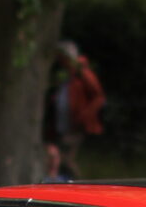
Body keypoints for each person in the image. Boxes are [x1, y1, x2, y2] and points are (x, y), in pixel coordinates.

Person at [43, 40, 106, 179]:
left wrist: (84, 116)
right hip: (63, 125)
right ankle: (65, 184)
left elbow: (99, 97)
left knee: (66, 159)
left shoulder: (83, 73)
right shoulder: (65, 75)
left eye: (62, 58)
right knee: (58, 158)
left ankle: (81, 185)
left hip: (77, 126)